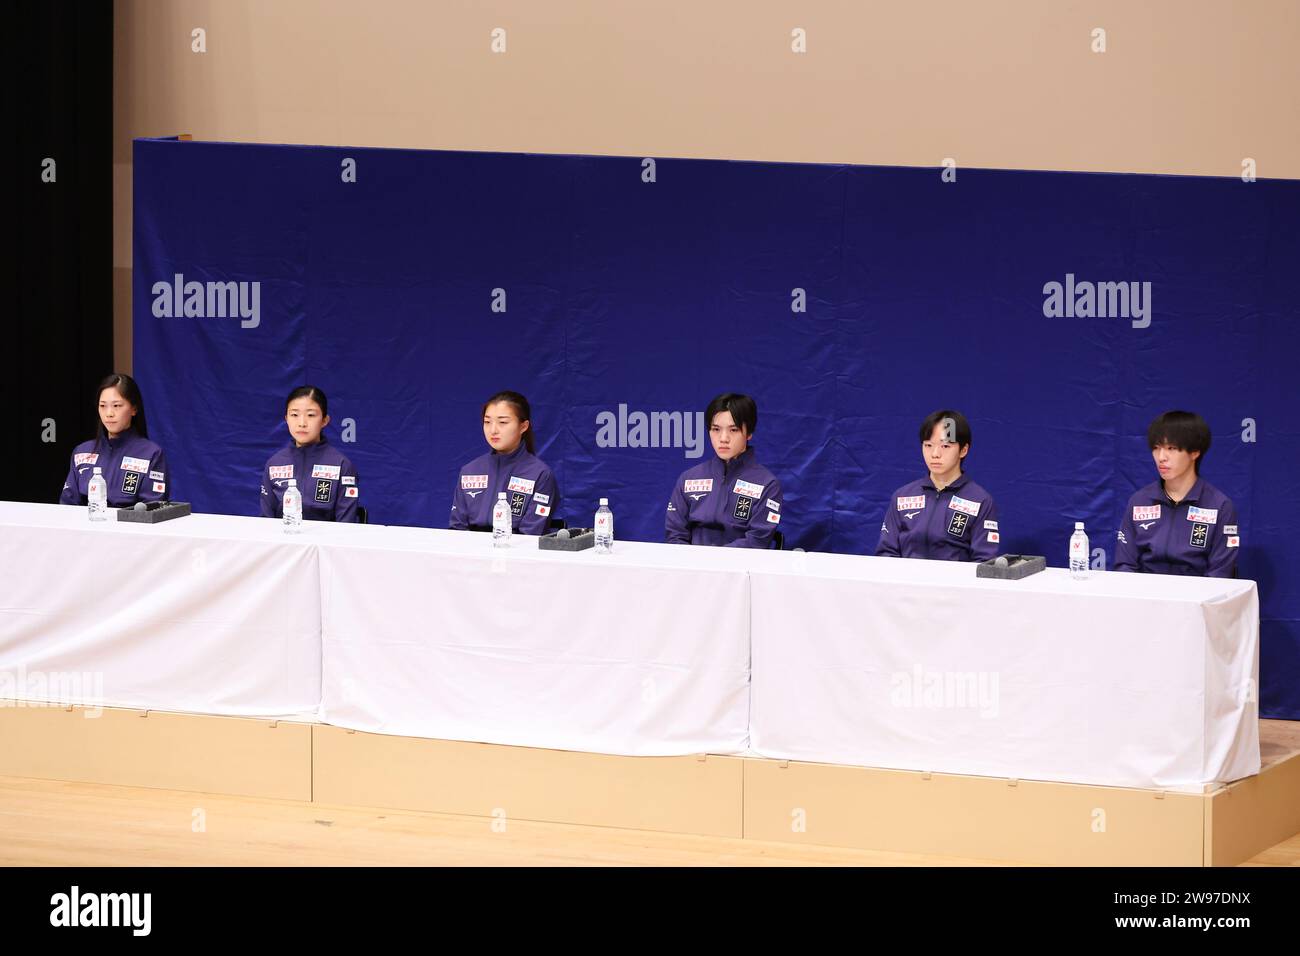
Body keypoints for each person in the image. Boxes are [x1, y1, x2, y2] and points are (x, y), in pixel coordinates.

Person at [1114, 410, 1239, 577]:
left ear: (1195, 452)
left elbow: (1220, 574)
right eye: (1156, 448)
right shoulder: (1139, 501)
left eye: (1171, 448)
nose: (1161, 457)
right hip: (1144, 591)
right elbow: (1125, 565)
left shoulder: (1220, 506)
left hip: (1197, 593)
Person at [876, 409, 999, 561]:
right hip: (905, 577)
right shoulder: (902, 497)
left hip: (955, 577)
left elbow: (984, 561)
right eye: (928, 445)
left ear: (963, 450)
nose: (935, 454)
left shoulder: (980, 501)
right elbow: (886, 553)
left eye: (945, 446)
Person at [665, 393, 784, 548]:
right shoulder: (688, 479)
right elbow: (675, 536)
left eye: (733, 430)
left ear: (749, 433)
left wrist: (712, 560)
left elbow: (757, 540)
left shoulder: (768, 485)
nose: (723, 438)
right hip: (691, 562)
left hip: (740, 563)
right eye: (716, 429)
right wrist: (696, 561)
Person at [450, 390, 558, 534]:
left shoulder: (540, 474)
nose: (493, 430)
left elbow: (531, 533)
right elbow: (457, 528)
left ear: (523, 426)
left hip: (517, 546)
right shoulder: (469, 470)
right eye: (487, 422)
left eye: (503, 422)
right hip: (471, 547)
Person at [60, 373, 169, 507]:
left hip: (129, 521)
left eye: (116, 406)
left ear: (134, 409)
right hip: (85, 520)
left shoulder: (151, 454)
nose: (109, 413)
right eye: (103, 406)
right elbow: (67, 505)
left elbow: (152, 507)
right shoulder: (81, 452)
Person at [261, 385, 360, 522]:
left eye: (311, 415)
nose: (302, 423)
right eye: (294, 415)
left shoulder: (342, 465)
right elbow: (265, 521)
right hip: (284, 535)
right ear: (286, 418)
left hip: (327, 536)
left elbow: (346, 524)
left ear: (324, 420)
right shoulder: (274, 464)